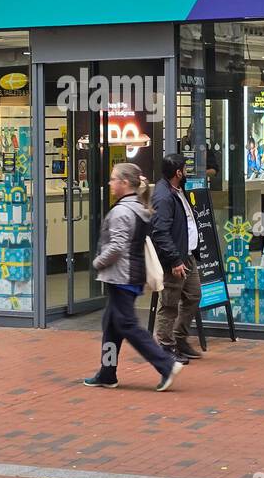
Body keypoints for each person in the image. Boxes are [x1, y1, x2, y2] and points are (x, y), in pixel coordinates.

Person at [84, 163, 184, 392]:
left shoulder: (121, 211)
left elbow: (118, 246)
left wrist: (98, 262)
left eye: (113, 179)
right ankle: (107, 373)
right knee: (111, 324)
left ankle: (166, 365)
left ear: (125, 183)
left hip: (122, 276)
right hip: (129, 274)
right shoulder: (138, 207)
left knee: (127, 324)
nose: (110, 183)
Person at [150, 153, 203, 362]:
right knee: (169, 303)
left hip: (186, 255)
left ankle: (179, 338)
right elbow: (160, 231)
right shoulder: (163, 197)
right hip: (175, 260)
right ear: (178, 172)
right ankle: (165, 346)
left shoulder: (178, 190)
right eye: (185, 168)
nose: (187, 171)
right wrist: (174, 260)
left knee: (194, 295)